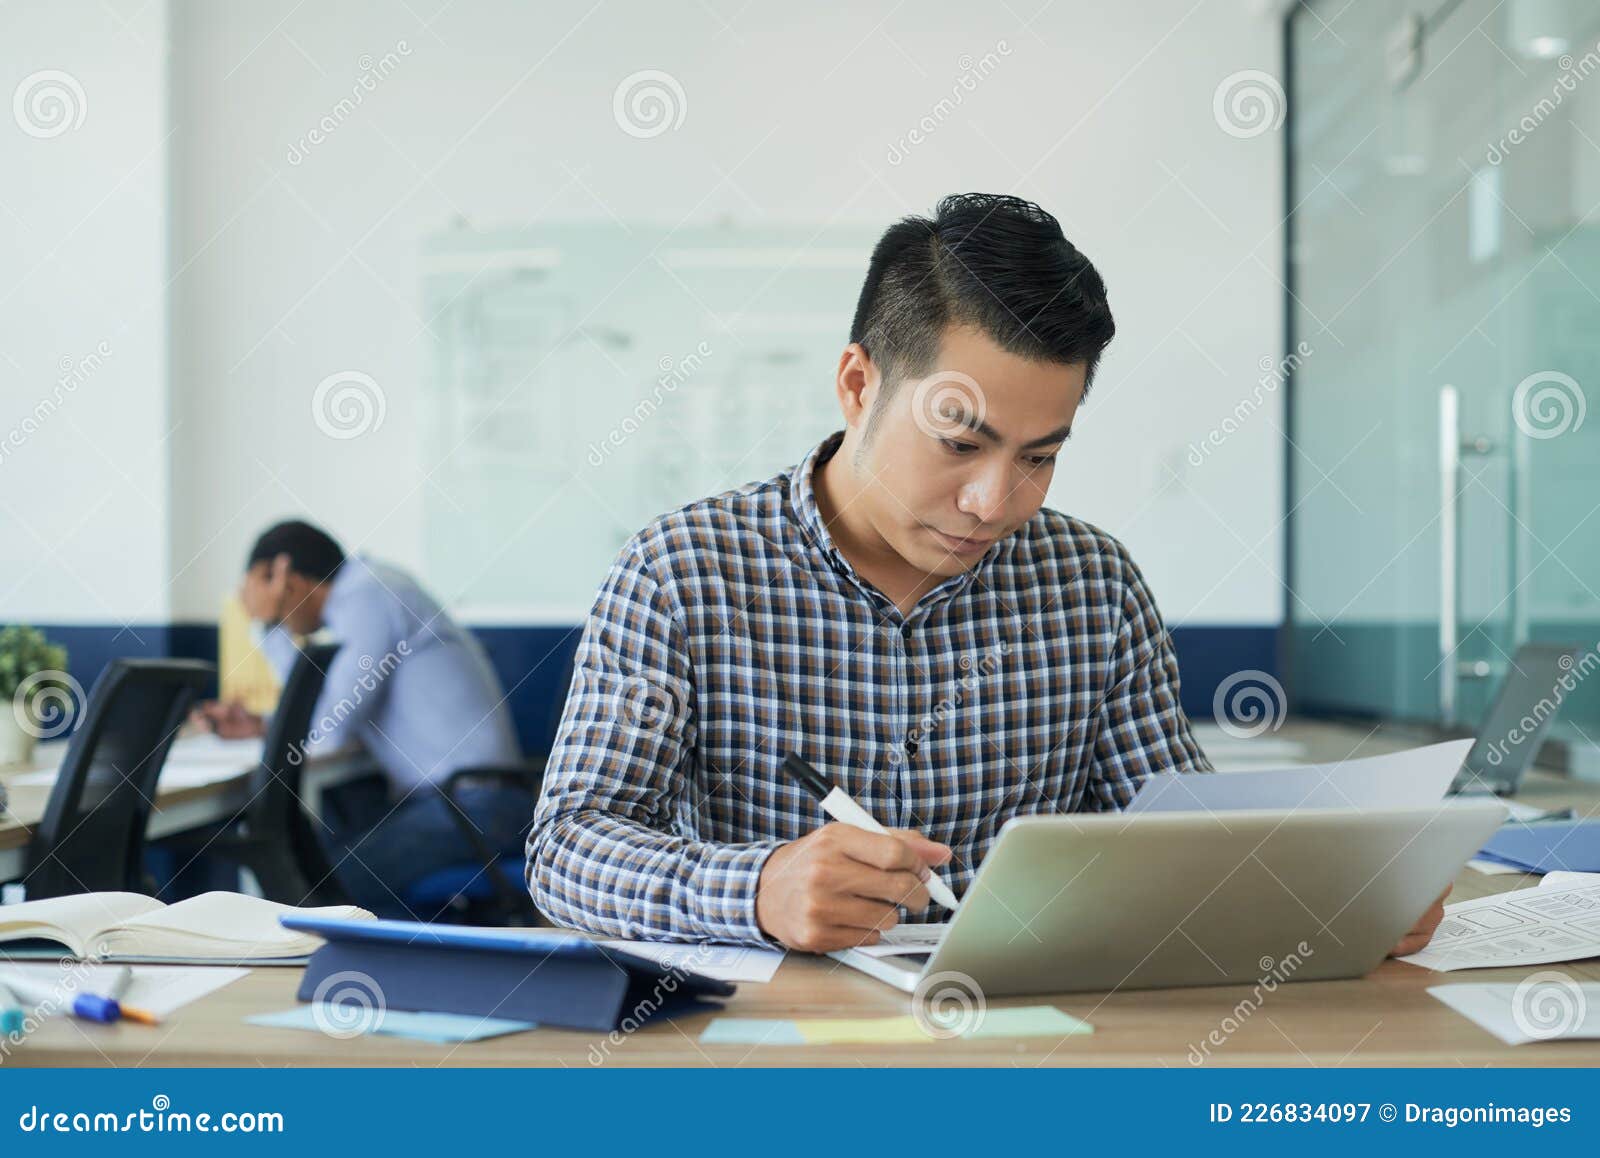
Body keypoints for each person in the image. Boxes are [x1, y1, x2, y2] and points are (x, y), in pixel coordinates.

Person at [526, 193, 1449, 957]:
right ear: (858, 384)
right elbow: (567, 849)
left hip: (1037, 1045)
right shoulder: (682, 574)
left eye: (1040, 457)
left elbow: (1183, 841)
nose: (994, 501)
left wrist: (1330, 894)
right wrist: (756, 889)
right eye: (961, 444)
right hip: (783, 1048)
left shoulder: (1091, 584)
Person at [194, 520, 525, 917]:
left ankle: (410, 968)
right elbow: (329, 717)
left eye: (254, 586)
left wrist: (270, 624)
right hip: (468, 801)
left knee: (323, 881)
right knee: (325, 855)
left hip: (476, 807)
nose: (247, 600)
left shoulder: (368, 596)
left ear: (282, 575)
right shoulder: (372, 590)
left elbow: (328, 731)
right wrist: (264, 725)